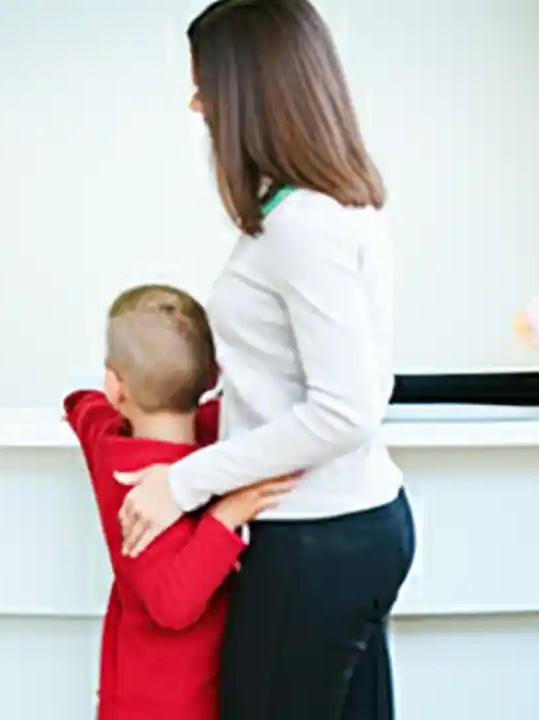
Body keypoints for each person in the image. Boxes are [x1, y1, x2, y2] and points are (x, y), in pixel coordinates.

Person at [115, 2, 416, 719]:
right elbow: (365, 386)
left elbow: (345, 409)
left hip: (317, 541)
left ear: (248, 88)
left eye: (205, 83)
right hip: (359, 527)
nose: (197, 103)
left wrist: (184, 482)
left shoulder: (302, 226)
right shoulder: (330, 209)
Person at [65, 284, 296, 720]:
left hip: (144, 692)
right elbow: (172, 604)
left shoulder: (110, 445)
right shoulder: (144, 474)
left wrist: (78, 402)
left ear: (117, 388)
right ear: (213, 376)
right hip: (163, 706)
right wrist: (225, 517)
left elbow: (89, 409)